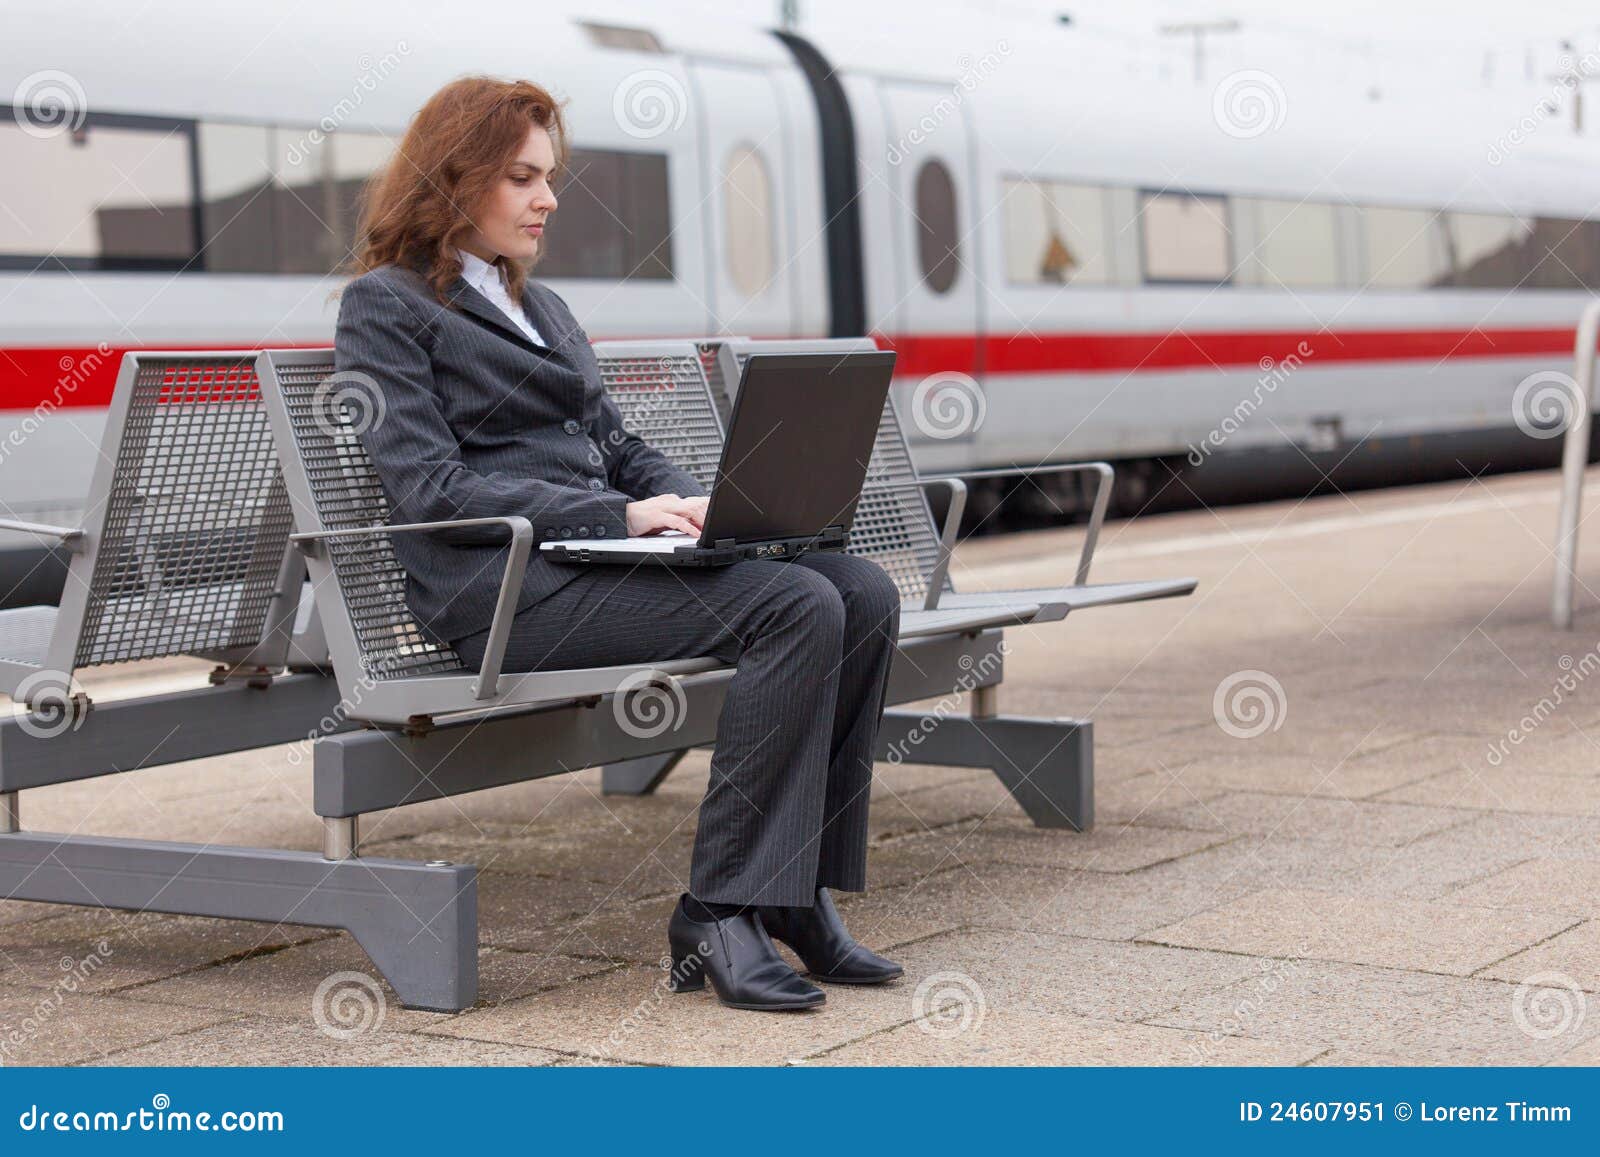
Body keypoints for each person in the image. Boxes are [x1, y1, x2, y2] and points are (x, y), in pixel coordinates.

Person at [333, 76, 903, 1012]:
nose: (548, 199)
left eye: (548, 177)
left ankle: (794, 892)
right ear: (454, 179)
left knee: (863, 591)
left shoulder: (542, 306)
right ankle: (719, 910)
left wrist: (694, 500)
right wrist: (615, 517)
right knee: (795, 606)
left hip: (590, 564)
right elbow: (427, 487)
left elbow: (616, 444)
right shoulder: (384, 306)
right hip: (502, 590)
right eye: (522, 178)